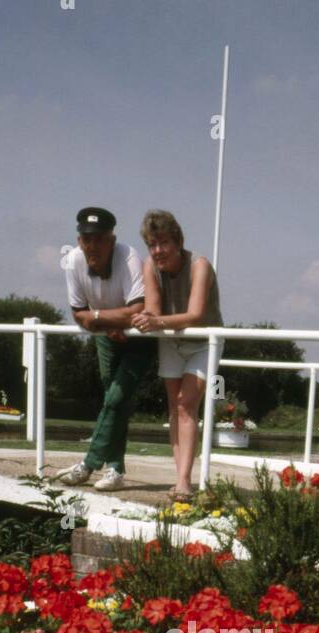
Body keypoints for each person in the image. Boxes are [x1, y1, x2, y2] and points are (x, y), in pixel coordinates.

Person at [58, 207, 156, 492]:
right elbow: (78, 314)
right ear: (79, 241)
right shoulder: (74, 261)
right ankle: (115, 469)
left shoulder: (128, 257)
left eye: (99, 239)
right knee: (116, 401)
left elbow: (137, 309)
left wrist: (100, 318)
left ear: (111, 240)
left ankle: (88, 464)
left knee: (115, 398)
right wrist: (109, 322)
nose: (92, 246)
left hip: (139, 338)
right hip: (105, 337)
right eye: (87, 240)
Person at [131, 210, 223, 501]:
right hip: (171, 340)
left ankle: (183, 482)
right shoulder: (150, 266)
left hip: (203, 340)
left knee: (187, 406)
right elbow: (154, 310)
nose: (157, 251)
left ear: (178, 242)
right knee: (174, 408)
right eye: (152, 244)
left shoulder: (200, 266)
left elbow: (195, 315)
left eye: (164, 243)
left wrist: (156, 322)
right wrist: (144, 318)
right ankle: (180, 476)